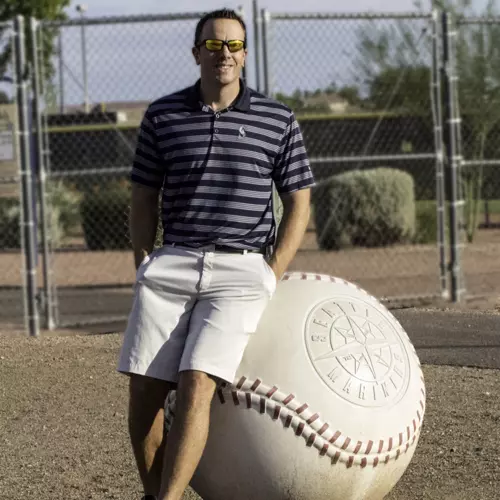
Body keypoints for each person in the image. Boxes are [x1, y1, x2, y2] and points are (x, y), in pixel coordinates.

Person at [117, 8, 315, 500]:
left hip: (241, 267)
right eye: (212, 45)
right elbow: (143, 194)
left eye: (232, 45)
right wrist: (144, 262)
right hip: (173, 264)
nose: (222, 53)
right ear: (196, 53)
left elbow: (299, 200)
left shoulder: (278, 118)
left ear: (244, 55)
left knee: (196, 382)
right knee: (144, 394)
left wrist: (272, 272)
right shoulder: (163, 115)